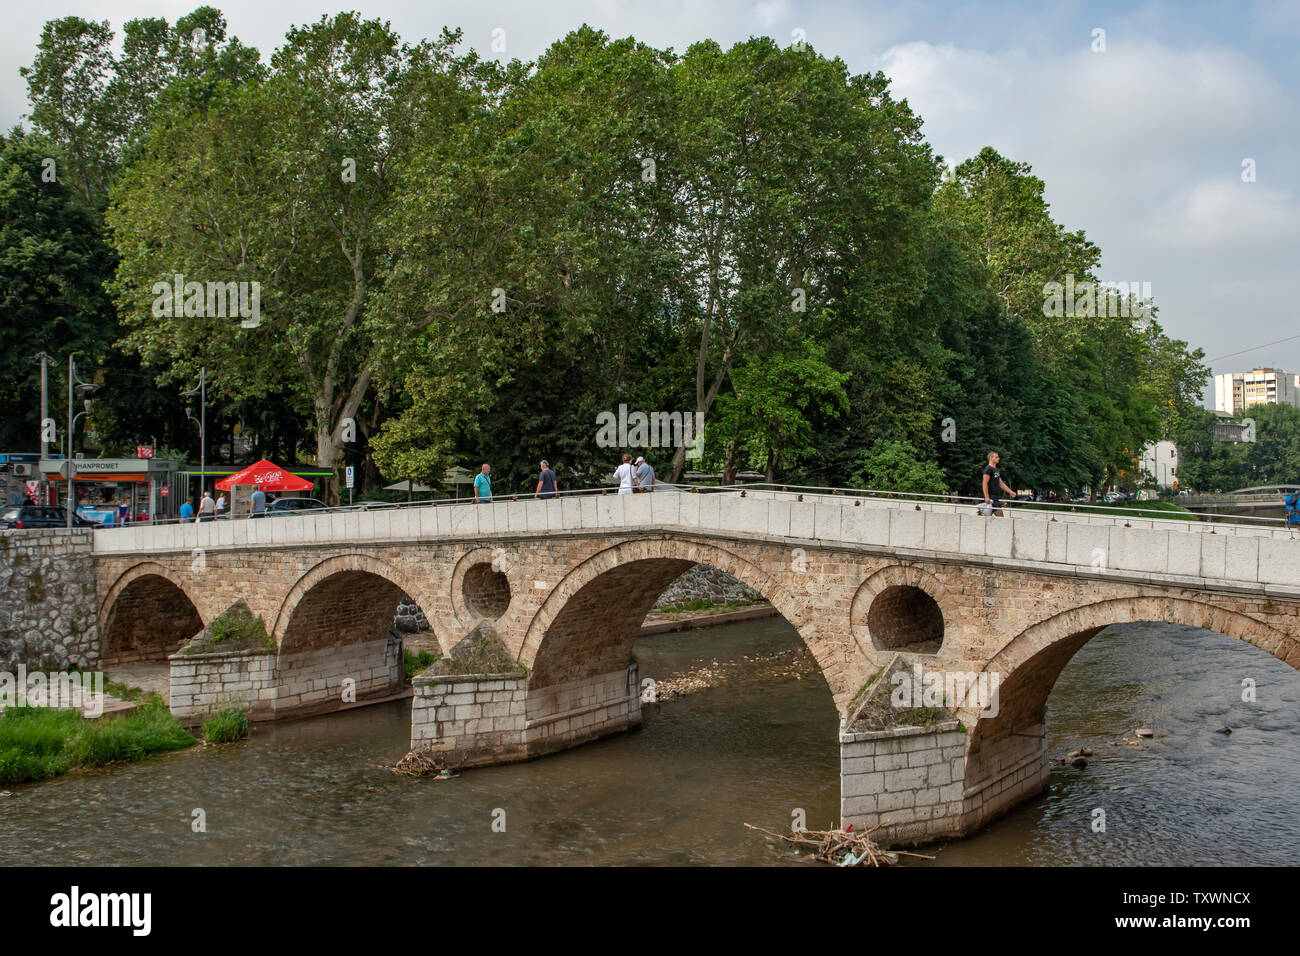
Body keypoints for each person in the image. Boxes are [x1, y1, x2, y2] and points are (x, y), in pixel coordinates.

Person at [981, 451, 1016, 518]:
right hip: (991, 497)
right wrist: (987, 497)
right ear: (991, 458)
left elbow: (1000, 482)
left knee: (987, 518)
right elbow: (984, 483)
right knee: (1000, 518)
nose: (998, 458)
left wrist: (1010, 491)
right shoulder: (988, 469)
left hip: (995, 497)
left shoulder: (996, 470)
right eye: (996, 457)